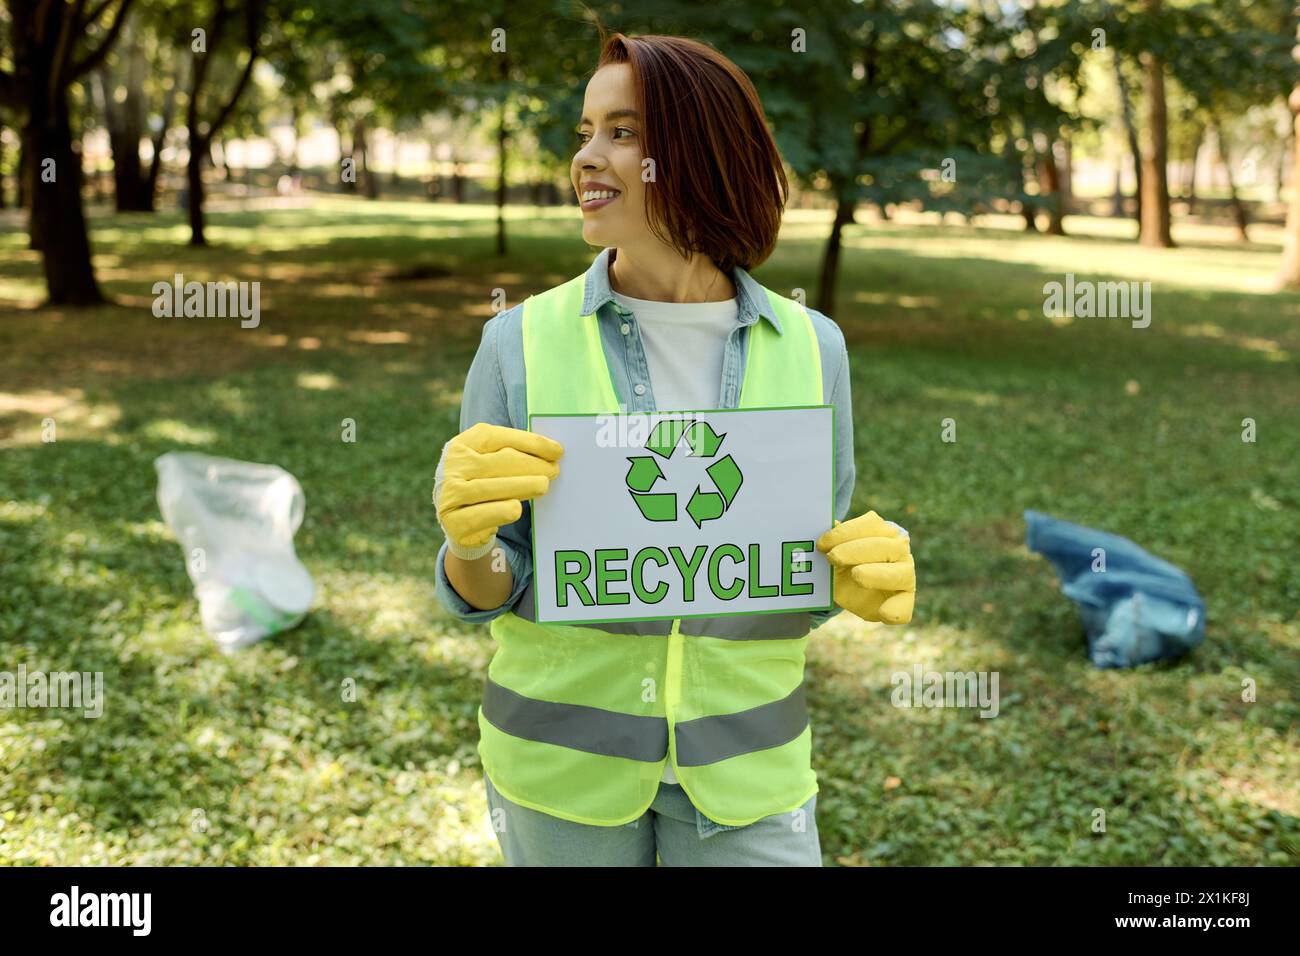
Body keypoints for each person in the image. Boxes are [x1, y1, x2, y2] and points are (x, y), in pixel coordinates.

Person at [433, 31, 916, 867]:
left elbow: (801, 568)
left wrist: (862, 576)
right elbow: (494, 584)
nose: (587, 157)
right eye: (586, 131)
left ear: (698, 153)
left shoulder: (814, 347)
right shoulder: (517, 343)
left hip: (748, 774)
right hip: (560, 777)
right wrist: (467, 546)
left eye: (623, 133)